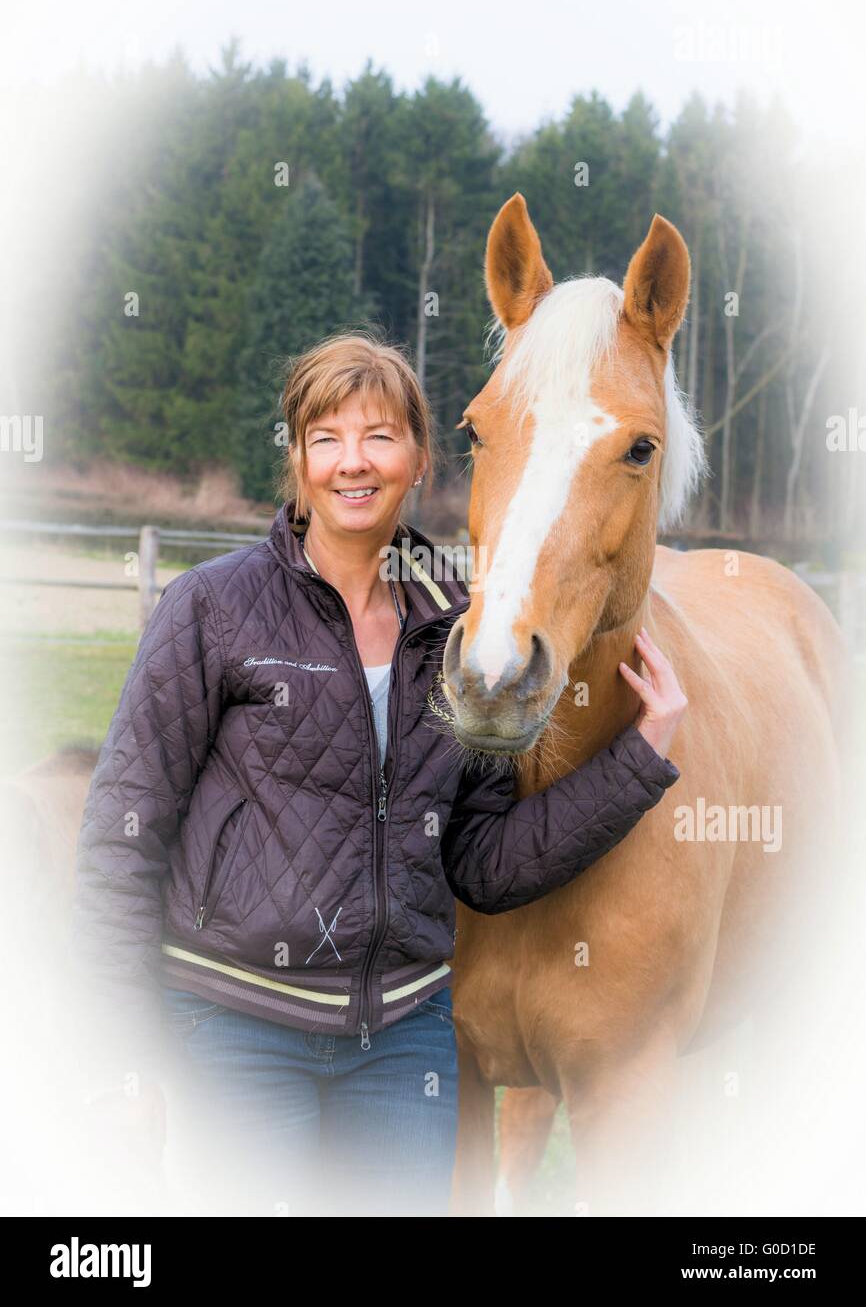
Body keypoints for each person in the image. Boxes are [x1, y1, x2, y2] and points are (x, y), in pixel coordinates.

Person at [71, 331, 687, 1218]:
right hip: (236, 1032)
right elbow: (120, 841)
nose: (352, 463)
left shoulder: (457, 631)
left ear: (421, 457)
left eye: (380, 437)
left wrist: (637, 760)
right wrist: (116, 1060)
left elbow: (480, 860)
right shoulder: (208, 607)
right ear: (297, 458)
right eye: (326, 438)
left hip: (403, 1046)